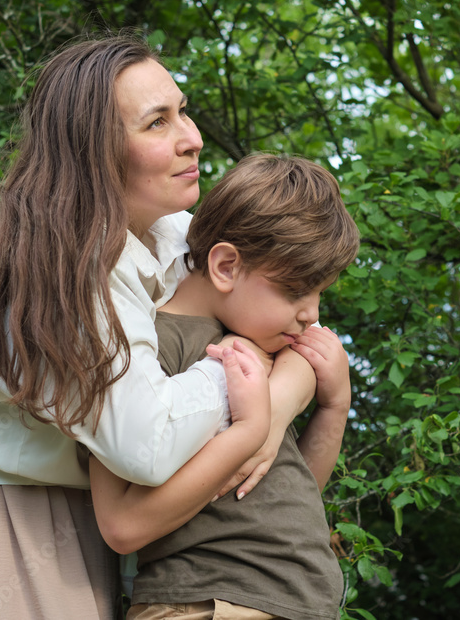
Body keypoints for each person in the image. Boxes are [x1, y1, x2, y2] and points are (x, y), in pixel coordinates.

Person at [0, 35, 314, 619]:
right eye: (156, 123)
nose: (192, 138)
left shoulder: (176, 236)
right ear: (94, 152)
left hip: (76, 528)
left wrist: (274, 408)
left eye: (182, 110)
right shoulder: (60, 268)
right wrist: (238, 376)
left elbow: (294, 316)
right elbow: (148, 445)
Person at [86, 154, 361, 620]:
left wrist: (334, 407)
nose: (311, 313)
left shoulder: (262, 342)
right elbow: (122, 523)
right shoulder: (149, 349)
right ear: (227, 267)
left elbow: (282, 491)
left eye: (319, 294)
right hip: (204, 602)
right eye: (297, 291)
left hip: (299, 602)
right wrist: (250, 428)